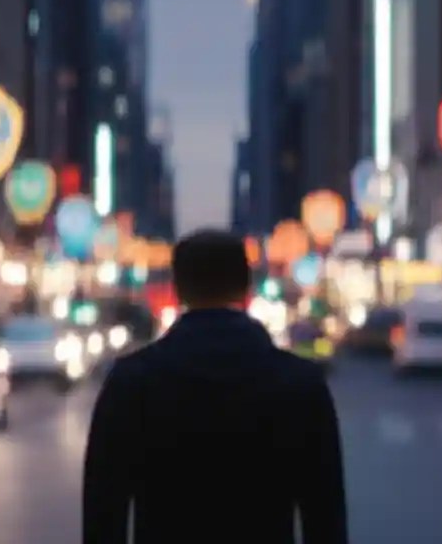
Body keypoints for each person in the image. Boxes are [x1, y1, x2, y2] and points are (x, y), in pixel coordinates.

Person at [83, 230, 347, 544]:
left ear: (178, 290)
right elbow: (325, 517)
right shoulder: (301, 384)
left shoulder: (131, 382)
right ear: (246, 288)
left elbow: (103, 514)